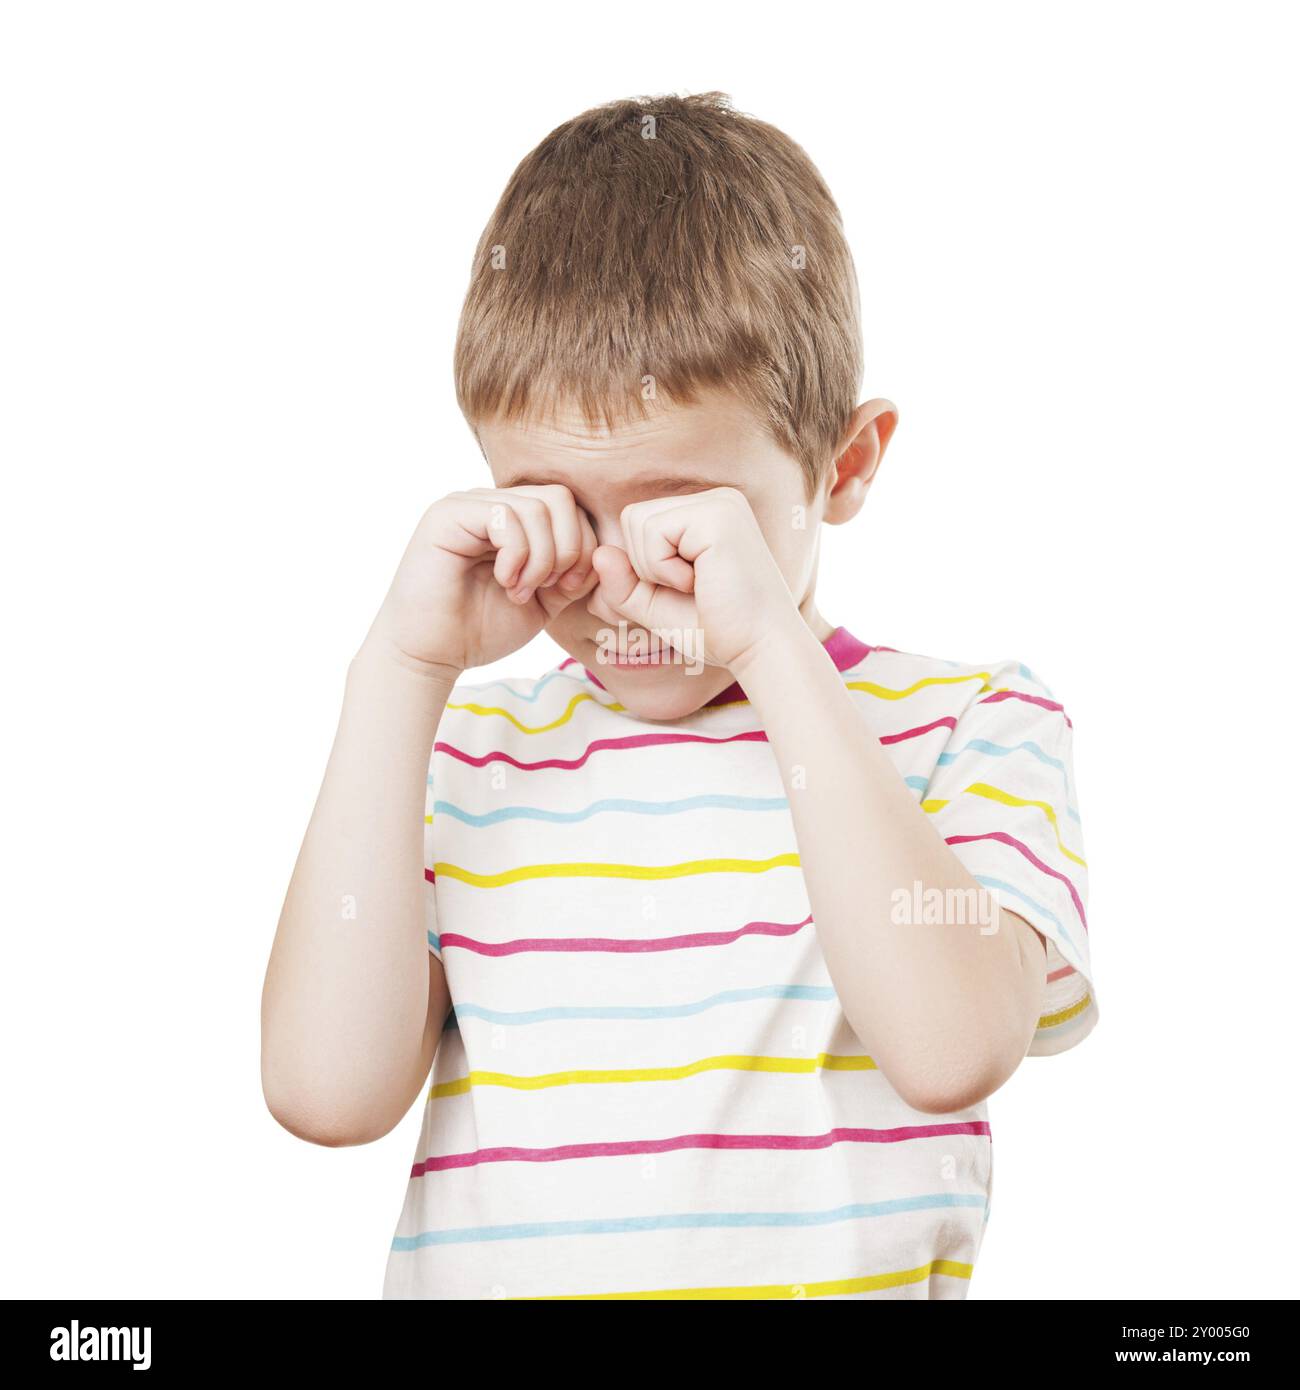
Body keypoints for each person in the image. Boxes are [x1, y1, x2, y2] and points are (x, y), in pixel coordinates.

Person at [261, 91, 1098, 1300]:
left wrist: (768, 647)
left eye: (683, 520)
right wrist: (399, 671)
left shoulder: (969, 725)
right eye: (554, 506)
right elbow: (323, 1093)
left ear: (844, 466)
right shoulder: (467, 753)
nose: (612, 582)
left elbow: (952, 1046)